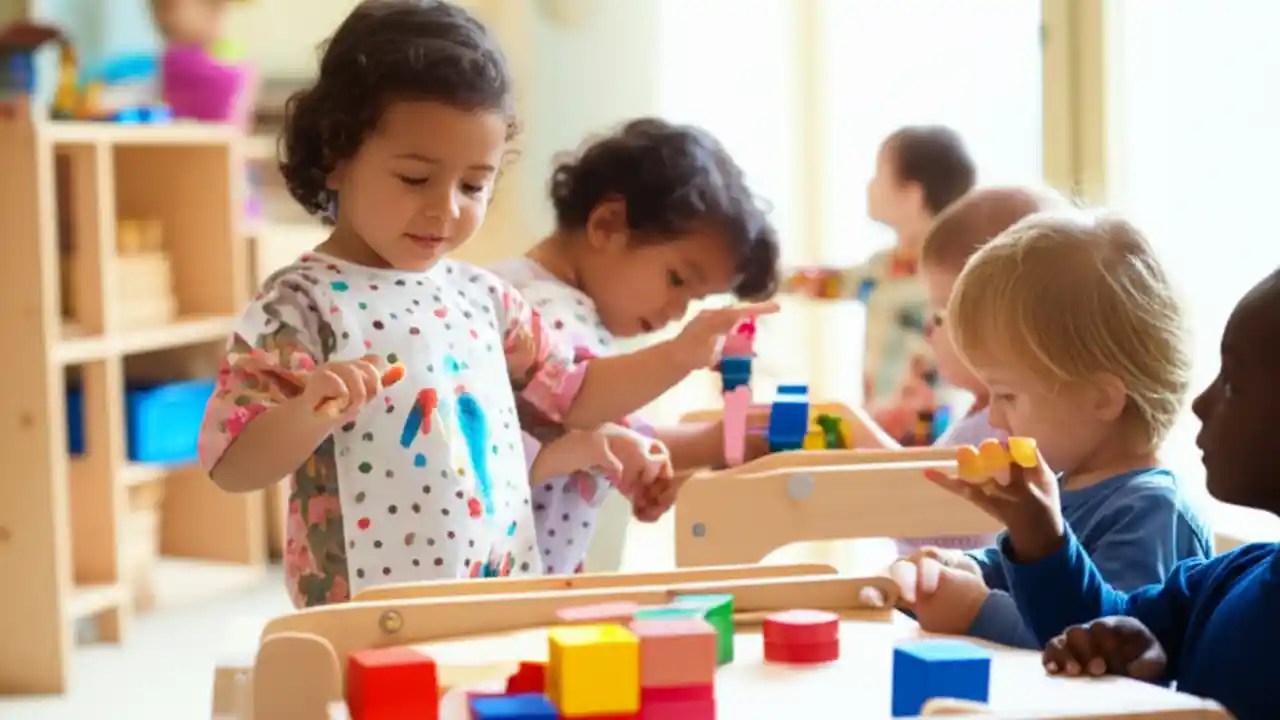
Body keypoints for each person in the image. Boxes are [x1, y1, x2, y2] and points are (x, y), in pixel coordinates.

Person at [196, 0, 772, 608]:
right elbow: (232, 466)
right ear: (336, 156)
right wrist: (308, 412)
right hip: (367, 611)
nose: (446, 209)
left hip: (502, 592)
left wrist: (680, 353)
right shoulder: (301, 304)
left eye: (473, 184)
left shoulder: (484, 297)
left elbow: (576, 394)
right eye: (416, 178)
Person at [925, 267, 1280, 720]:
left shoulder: (1163, 518)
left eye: (1232, 383)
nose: (1201, 403)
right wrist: (1040, 536)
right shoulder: (1223, 580)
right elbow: (1087, 625)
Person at [889, 208, 1212, 648]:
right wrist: (965, 569)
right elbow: (1023, 571)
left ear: (1101, 399)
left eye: (1008, 396)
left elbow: (1101, 647)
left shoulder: (1151, 511)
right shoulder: (1069, 484)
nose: (997, 420)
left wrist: (975, 611)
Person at [490, 117, 779, 574]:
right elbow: (575, 401)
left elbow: (593, 428)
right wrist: (682, 361)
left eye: (694, 299)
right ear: (606, 225)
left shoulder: (555, 303)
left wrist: (656, 464)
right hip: (502, 579)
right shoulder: (544, 308)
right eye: (677, 279)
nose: (677, 311)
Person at [847, 185, 1070, 554]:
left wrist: (860, 437)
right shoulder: (983, 413)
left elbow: (923, 509)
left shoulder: (1008, 429)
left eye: (939, 313)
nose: (929, 329)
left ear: (1002, 325)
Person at [790, 126, 976, 445]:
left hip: (925, 426)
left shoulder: (951, 275)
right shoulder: (881, 269)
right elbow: (825, 282)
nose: (870, 186)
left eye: (879, 174)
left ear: (913, 195)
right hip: (878, 420)